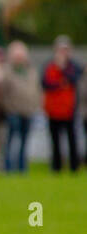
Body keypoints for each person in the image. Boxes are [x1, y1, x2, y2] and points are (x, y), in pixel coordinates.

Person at [43, 36, 82, 173]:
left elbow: (75, 78)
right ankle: (56, 167)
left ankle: (74, 166)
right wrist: (61, 82)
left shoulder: (73, 66)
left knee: (72, 140)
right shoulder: (49, 65)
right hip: (53, 110)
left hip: (69, 110)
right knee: (55, 141)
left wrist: (63, 69)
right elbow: (46, 84)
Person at [2, 41, 39, 173]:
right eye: (16, 55)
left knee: (24, 142)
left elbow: (36, 90)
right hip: (13, 112)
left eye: (21, 55)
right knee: (11, 141)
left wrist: (34, 105)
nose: (19, 58)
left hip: (28, 111)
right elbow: (3, 93)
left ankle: (22, 168)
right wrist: (9, 108)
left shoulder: (31, 71)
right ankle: (8, 168)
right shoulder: (6, 72)